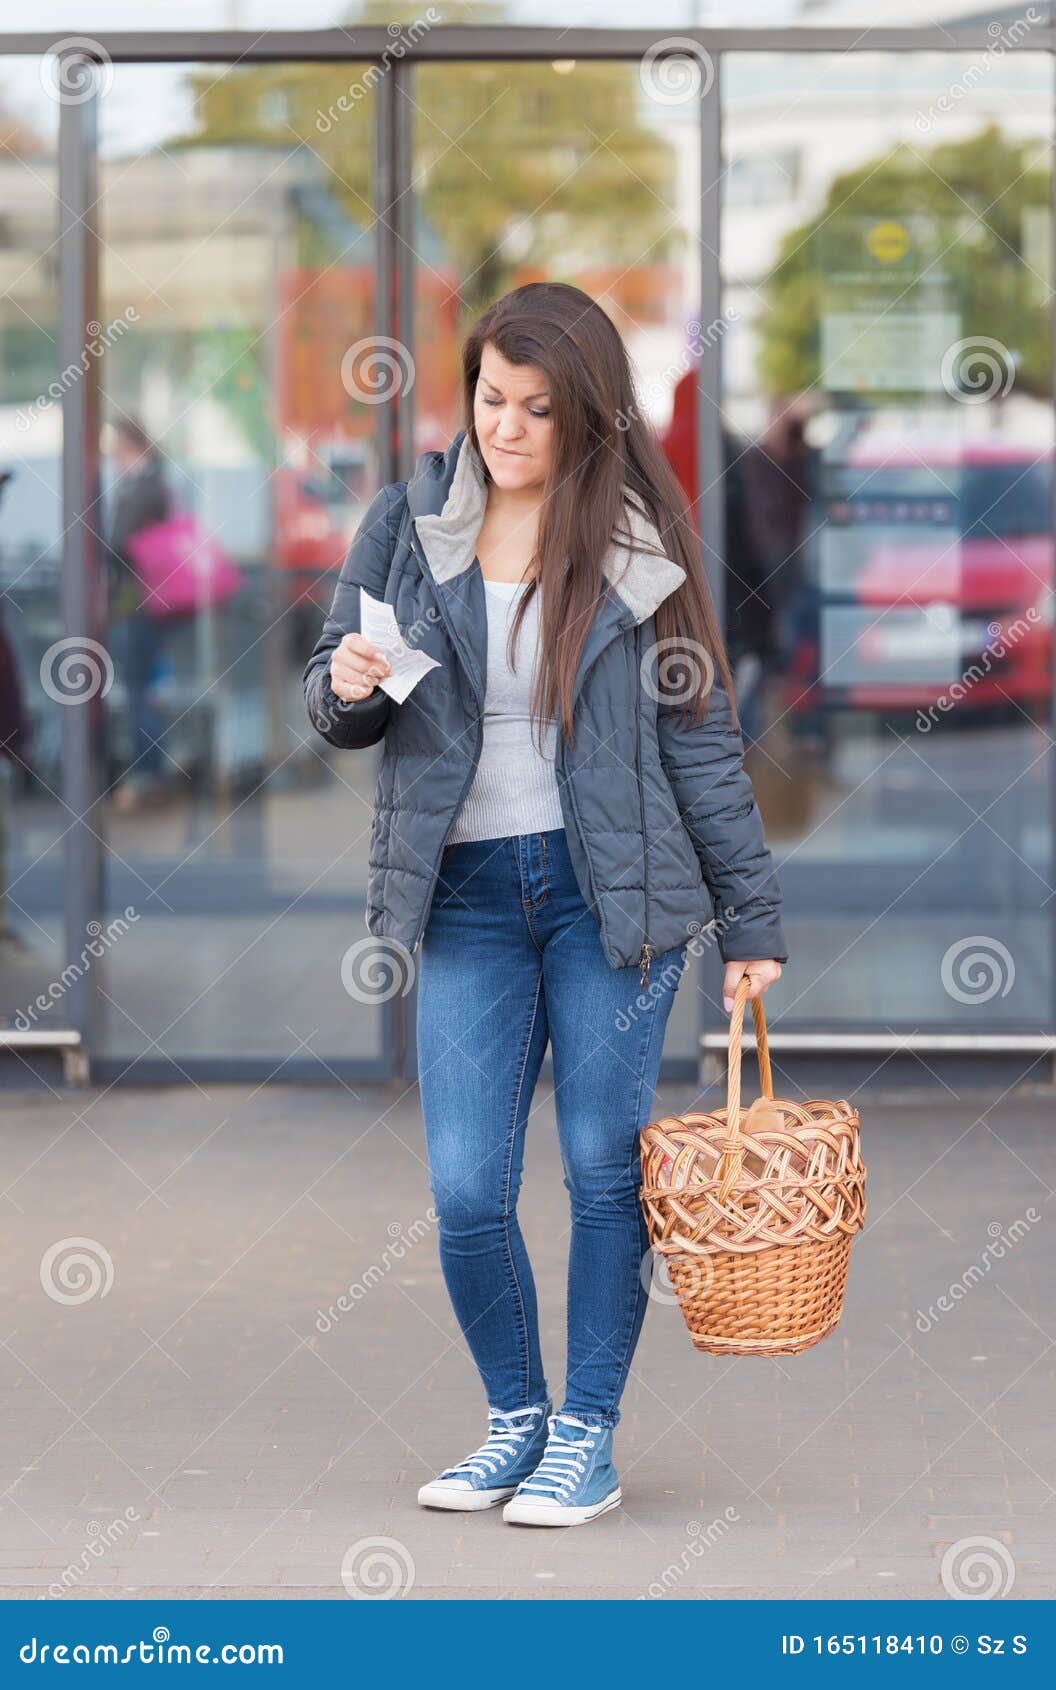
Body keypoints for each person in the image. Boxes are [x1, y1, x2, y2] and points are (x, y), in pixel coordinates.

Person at [303, 282, 787, 1528]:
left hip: (607, 899)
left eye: (536, 408)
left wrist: (751, 921)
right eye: (490, 399)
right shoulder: (408, 521)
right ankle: (514, 1417)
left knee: (600, 1167)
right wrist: (347, 682)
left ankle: (587, 1436)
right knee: (469, 1188)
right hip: (466, 896)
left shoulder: (636, 541)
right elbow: (336, 706)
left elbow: (701, 739)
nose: (505, 428)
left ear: (587, 414)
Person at [102, 417, 172, 813]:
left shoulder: (144, 486)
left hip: (139, 602)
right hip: (142, 601)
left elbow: (118, 542)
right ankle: (149, 773)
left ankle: (149, 775)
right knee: (140, 688)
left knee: (137, 690)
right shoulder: (150, 483)